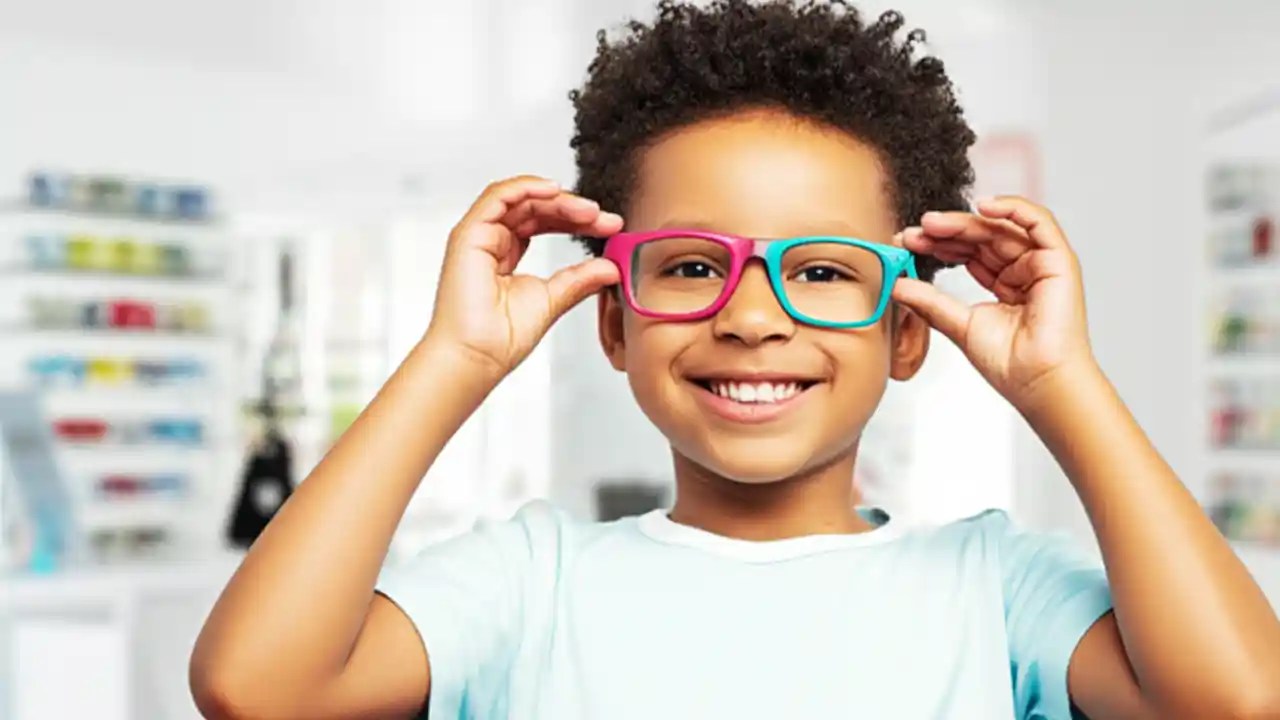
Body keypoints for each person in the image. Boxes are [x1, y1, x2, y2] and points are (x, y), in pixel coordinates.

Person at [189, 2, 1280, 718]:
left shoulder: (997, 588)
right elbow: (255, 687)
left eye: (821, 271)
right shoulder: (525, 583)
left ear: (905, 331)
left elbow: (1234, 698)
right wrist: (453, 359)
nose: (752, 319)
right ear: (614, 323)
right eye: (688, 266)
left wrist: (1061, 386)